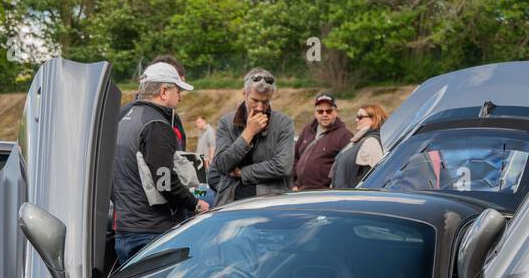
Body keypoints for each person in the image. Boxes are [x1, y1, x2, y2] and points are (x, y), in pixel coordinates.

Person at [110, 62, 208, 265]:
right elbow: (164, 182)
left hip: (125, 230)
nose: (180, 96)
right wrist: (196, 204)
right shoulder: (157, 124)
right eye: (178, 90)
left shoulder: (121, 118)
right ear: (164, 91)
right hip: (153, 233)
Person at [211, 68, 295, 204]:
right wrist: (248, 133)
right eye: (254, 100)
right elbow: (221, 165)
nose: (260, 107)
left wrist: (242, 173)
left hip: (270, 204)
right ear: (244, 94)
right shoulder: (226, 122)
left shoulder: (283, 123)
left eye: (265, 102)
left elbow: (283, 166)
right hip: (231, 203)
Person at [293, 93, 352, 190]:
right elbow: (295, 157)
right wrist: (293, 184)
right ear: (315, 113)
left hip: (323, 194)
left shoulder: (344, 135)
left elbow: (347, 169)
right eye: (320, 111)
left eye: (328, 111)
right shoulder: (307, 129)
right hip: (300, 191)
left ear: (335, 112)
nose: (324, 114)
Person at [330, 103, 388, 189]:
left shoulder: (371, 142)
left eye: (360, 117)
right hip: (343, 196)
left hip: (353, 198)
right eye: (357, 117)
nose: (357, 120)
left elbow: (379, 176)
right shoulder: (359, 140)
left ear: (374, 118)